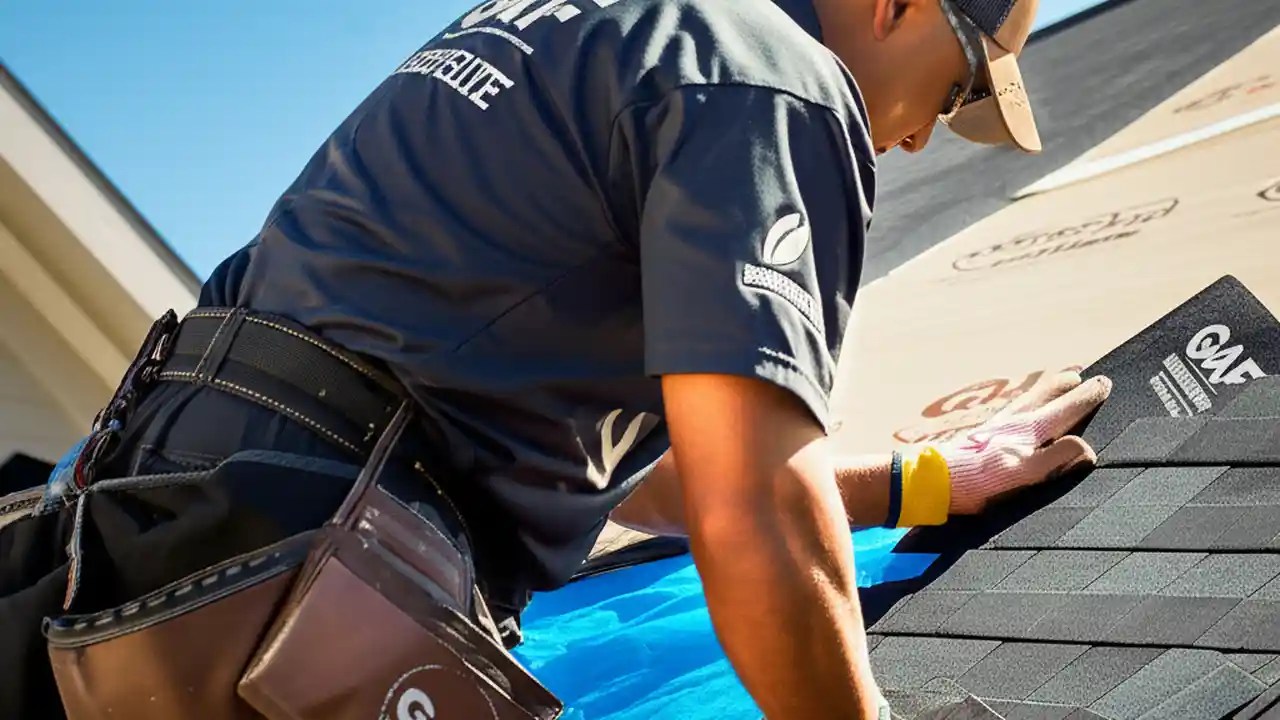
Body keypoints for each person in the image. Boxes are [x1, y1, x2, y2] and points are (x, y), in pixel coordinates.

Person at [0, 0, 1113, 718]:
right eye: (962, 86)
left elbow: (648, 476)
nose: (921, 134)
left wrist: (926, 481)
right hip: (294, 603)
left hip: (160, 557)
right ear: (895, 5)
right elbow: (751, 512)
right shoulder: (777, 85)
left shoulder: (598, 26)